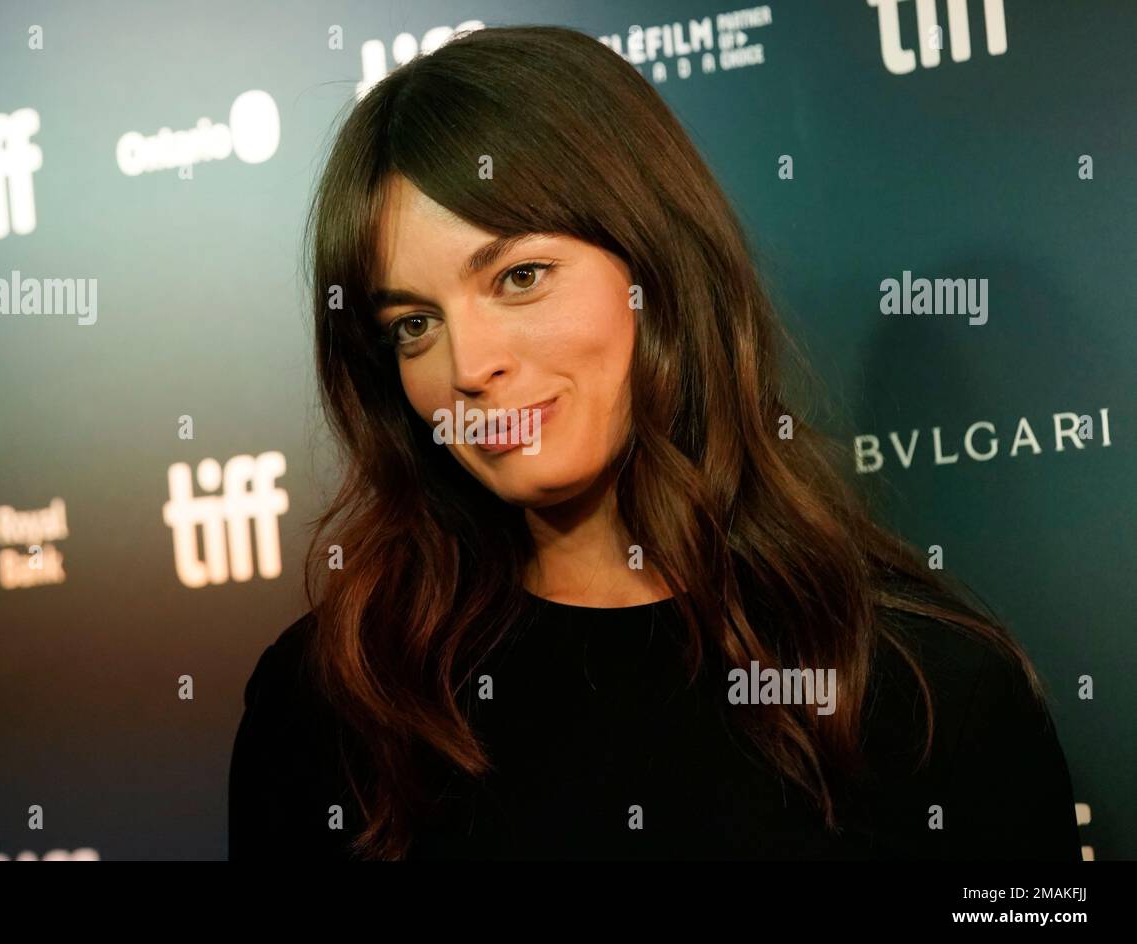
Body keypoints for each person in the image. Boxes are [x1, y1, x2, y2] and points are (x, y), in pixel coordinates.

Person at [228, 24, 1081, 861]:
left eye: (519, 277)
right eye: (414, 324)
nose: (471, 364)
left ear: (656, 268)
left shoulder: (926, 686)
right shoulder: (336, 708)